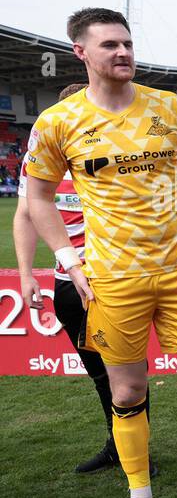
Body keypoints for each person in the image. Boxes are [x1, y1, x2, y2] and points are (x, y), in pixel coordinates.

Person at [23, 7, 177, 498]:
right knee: (127, 388)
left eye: (128, 43)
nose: (123, 52)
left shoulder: (169, 106)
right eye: (110, 44)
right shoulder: (57, 122)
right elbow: (37, 199)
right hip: (112, 280)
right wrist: (68, 260)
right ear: (80, 53)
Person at [12, 81, 151, 475]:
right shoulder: (42, 160)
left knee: (127, 372)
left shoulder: (117, 156)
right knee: (100, 374)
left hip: (115, 281)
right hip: (67, 283)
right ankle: (117, 445)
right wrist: (26, 274)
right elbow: (24, 215)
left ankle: (136, 455)